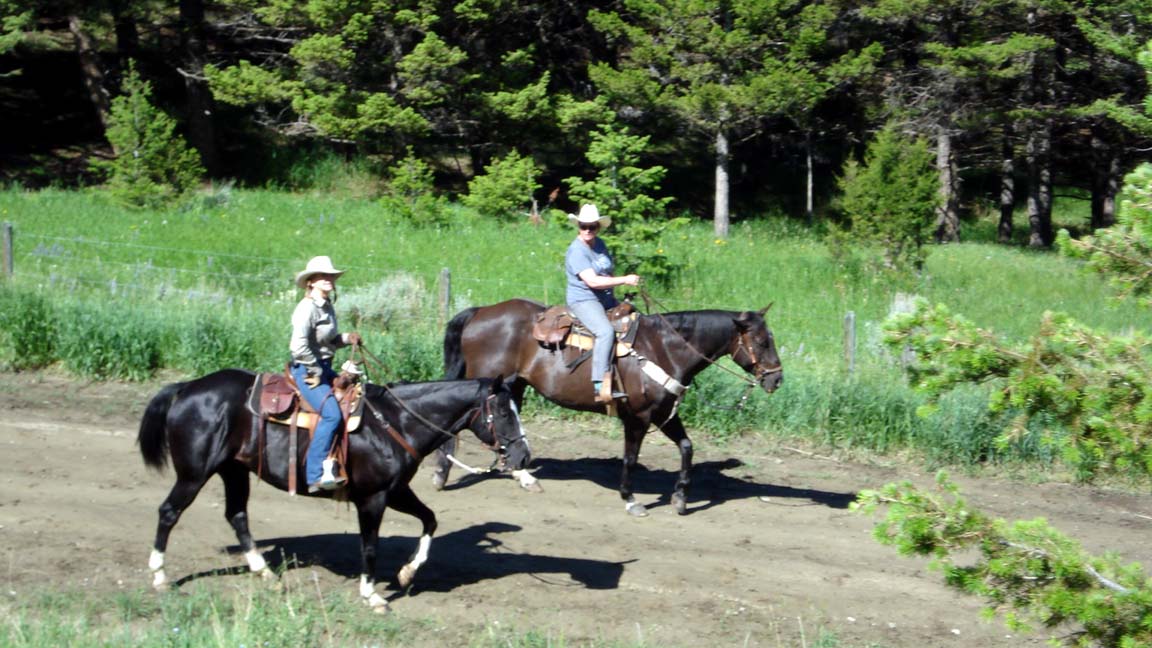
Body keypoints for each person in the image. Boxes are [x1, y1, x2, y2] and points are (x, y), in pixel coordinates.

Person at [289, 255, 362, 492]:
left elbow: (326, 340)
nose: (329, 279)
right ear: (311, 281)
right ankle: (314, 475)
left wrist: (345, 339)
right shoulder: (306, 308)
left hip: (324, 366)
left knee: (357, 396)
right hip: (308, 370)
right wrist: (315, 369)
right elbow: (297, 346)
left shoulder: (327, 305)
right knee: (331, 414)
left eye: (330, 275)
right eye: (323, 276)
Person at [564, 204, 641, 401]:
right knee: (605, 332)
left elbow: (607, 270)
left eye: (592, 226)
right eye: (583, 226)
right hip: (584, 299)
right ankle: (600, 383)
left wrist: (615, 294)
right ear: (578, 226)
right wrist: (624, 280)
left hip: (606, 298)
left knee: (636, 320)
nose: (588, 230)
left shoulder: (600, 244)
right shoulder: (576, 251)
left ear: (598, 227)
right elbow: (592, 281)